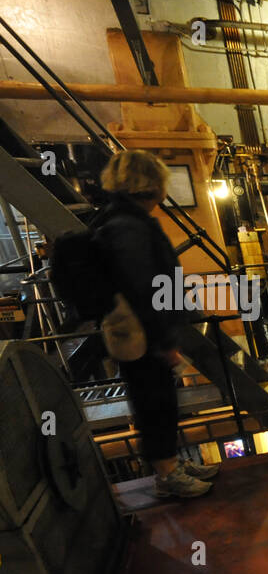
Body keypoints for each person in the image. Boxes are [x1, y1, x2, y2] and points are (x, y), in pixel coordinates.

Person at [96, 149, 219, 498]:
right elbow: (145, 288)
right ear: (151, 185)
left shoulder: (126, 221)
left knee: (162, 400)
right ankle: (168, 476)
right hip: (141, 335)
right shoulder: (127, 227)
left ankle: (171, 464)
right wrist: (164, 342)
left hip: (142, 332)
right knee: (155, 403)